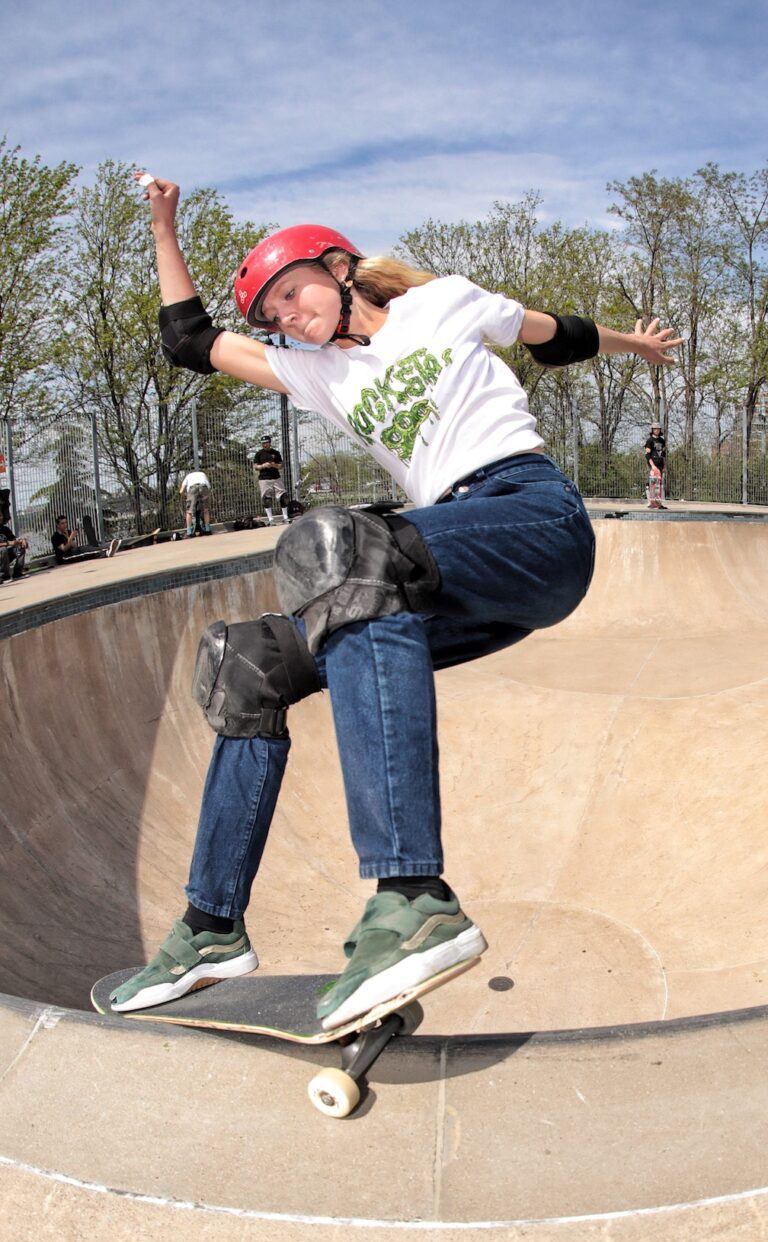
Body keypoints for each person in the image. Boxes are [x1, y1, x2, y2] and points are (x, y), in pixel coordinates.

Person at [111, 171, 682, 1030]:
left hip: (530, 521)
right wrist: (164, 227)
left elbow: (554, 334)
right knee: (248, 664)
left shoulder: (444, 302)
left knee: (335, 543)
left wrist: (633, 347)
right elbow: (189, 339)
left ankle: (412, 894)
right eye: (271, 318)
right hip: (435, 562)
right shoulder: (308, 372)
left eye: (292, 296)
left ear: (338, 267)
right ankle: (212, 924)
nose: (287, 321)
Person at [253, 435, 290, 525]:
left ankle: (285, 517)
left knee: (284, 497)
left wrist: (273, 465)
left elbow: (281, 466)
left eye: (266, 443)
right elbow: (255, 467)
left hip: (276, 478)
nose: (265, 445)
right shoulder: (259, 454)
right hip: (264, 479)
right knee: (267, 499)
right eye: (263, 443)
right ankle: (271, 519)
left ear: (269, 443)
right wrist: (263, 466)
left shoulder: (276, 453)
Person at [0, 496, 28, 583]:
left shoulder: (5, 529)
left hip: (5, 555)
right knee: (3, 550)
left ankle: (17, 573)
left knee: (20, 547)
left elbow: (14, 539)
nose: (0, 518)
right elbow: (9, 543)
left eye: (1, 515)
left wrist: (21, 540)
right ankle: (4, 576)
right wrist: (9, 543)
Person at [179, 468, 213, 536]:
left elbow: (181, 491)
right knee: (206, 510)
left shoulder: (188, 476)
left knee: (189, 512)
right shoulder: (202, 474)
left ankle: (189, 532)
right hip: (204, 487)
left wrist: (187, 496)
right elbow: (209, 487)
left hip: (193, 488)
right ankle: (207, 529)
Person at [644, 422, 667, 509]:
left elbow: (663, 454)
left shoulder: (662, 441)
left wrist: (664, 465)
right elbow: (647, 454)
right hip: (653, 464)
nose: (656, 430)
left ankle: (658, 503)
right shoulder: (649, 441)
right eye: (655, 429)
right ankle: (651, 502)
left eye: (658, 429)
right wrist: (652, 466)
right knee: (652, 483)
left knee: (659, 484)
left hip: (660, 464)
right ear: (652, 430)